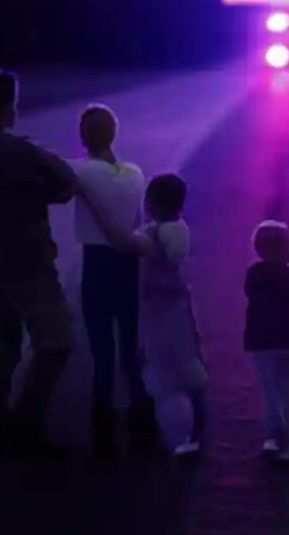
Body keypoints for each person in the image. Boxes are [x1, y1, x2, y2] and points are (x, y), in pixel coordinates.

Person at [0, 69, 77, 460]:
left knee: (3, 346)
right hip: (29, 259)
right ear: (7, 109)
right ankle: (25, 424)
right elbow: (66, 183)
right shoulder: (21, 152)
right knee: (56, 342)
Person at [81, 172, 207, 458]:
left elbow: (122, 241)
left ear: (150, 202)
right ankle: (197, 432)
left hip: (159, 315)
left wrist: (94, 204)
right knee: (189, 369)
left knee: (163, 378)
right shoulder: (179, 229)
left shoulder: (154, 235)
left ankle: (179, 438)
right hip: (179, 310)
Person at [69, 104, 157, 457]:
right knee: (133, 350)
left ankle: (104, 431)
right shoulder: (134, 173)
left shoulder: (80, 171)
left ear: (82, 135)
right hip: (128, 266)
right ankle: (142, 424)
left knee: (102, 352)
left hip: (97, 264)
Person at [244, 219, 289, 464]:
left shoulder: (254, 274)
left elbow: (249, 293)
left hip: (262, 341)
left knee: (270, 390)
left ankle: (274, 435)